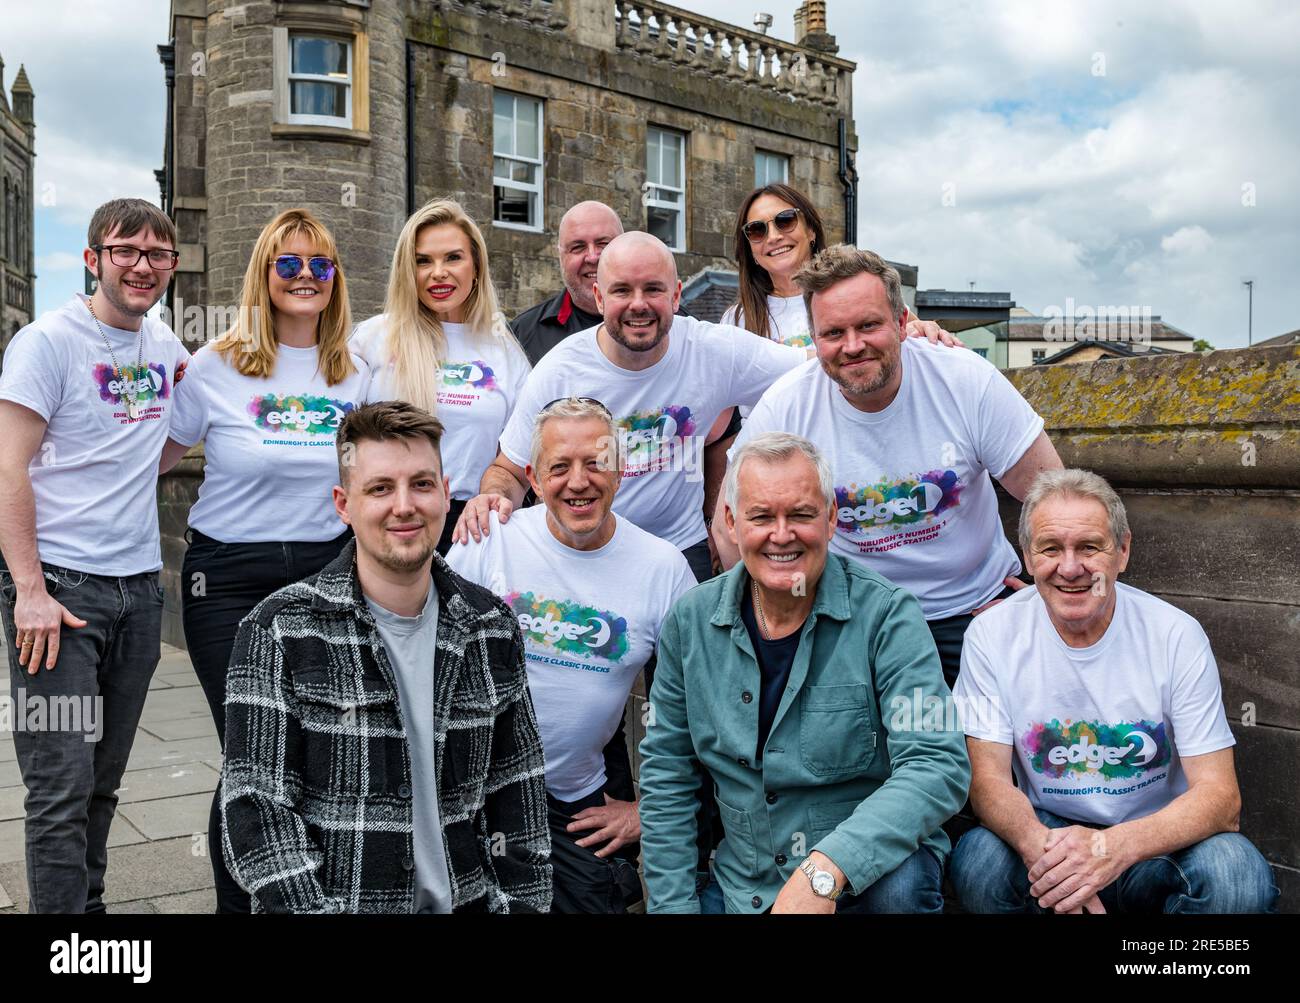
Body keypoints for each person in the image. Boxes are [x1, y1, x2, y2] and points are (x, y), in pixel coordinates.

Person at [220, 401, 551, 913]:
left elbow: (519, 797)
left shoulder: (491, 626)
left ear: (446, 495)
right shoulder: (279, 630)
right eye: (379, 488)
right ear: (343, 503)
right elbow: (257, 810)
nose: (404, 505)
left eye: (421, 484)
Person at [638, 432, 969, 913]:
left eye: (800, 514)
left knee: (903, 889)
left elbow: (937, 765)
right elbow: (668, 776)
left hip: (865, 878)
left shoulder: (888, 617)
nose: (781, 534)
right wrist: (672, 908)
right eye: (761, 516)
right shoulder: (690, 623)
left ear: (831, 517)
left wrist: (826, 869)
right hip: (745, 886)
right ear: (730, 523)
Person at [716, 244, 1063, 686]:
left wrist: (1043, 598)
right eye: (833, 333)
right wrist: (779, 614)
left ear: (902, 323)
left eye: (868, 326)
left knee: (983, 752)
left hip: (971, 613)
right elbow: (730, 524)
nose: (853, 346)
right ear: (813, 336)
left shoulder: (963, 379)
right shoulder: (787, 405)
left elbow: (1055, 498)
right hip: (851, 620)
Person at [159, 208, 369, 913]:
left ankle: (306, 894)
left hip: (323, 578)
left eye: (320, 264)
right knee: (252, 753)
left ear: (335, 277)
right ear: (265, 275)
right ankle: (237, 904)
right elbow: (149, 463)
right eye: (289, 264)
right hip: (226, 581)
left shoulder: (355, 373)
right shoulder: (217, 364)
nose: (305, 275)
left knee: (313, 753)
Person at [950, 468, 1277, 914]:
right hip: (1050, 835)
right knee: (979, 859)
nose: (1070, 567)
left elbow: (1221, 800)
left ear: (1122, 551)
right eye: (1050, 548)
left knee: (1236, 874)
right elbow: (986, 780)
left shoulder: (1174, 635)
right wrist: (1055, 860)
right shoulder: (991, 635)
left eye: (1089, 547)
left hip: (1153, 841)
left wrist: (1107, 850)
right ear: (1027, 555)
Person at [0, 198, 189, 912]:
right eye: (126, 250)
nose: (143, 264)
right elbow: (6, 467)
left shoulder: (167, 348)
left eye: (158, 254)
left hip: (139, 593)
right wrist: (29, 590)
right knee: (59, 789)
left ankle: (91, 914)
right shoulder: (48, 343)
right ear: (93, 259)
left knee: (104, 780)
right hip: (60, 595)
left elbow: (167, 446)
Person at [447, 397, 696, 913]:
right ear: (535, 480)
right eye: (559, 467)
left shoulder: (662, 568)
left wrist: (646, 811)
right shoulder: (488, 540)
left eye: (596, 463)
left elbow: (708, 704)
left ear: (621, 471)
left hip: (573, 801)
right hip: (466, 792)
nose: (578, 481)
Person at [454, 231, 810, 582]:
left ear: (676, 295)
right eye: (622, 290)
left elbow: (814, 368)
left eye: (653, 289)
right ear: (598, 298)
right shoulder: (561, 370)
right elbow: (511, 471)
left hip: (678, 549)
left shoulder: (712, 351)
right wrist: (492, 498)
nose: (638, 304)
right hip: (579, 550)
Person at [350, 198, 530, 555]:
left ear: (476, 266)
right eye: (422, 261)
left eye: (453, 257)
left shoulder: (505, 353)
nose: (438, 272)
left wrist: (494, 499)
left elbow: (518, 460)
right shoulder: (372, 340)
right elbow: (339, 439)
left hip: (471, 528)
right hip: (388, 519)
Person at [510, 200, 623, 366]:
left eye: (603, 244)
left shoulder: (669, 323)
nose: (592, 257)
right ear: (561, 257)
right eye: (578, 247)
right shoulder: (523, 334)